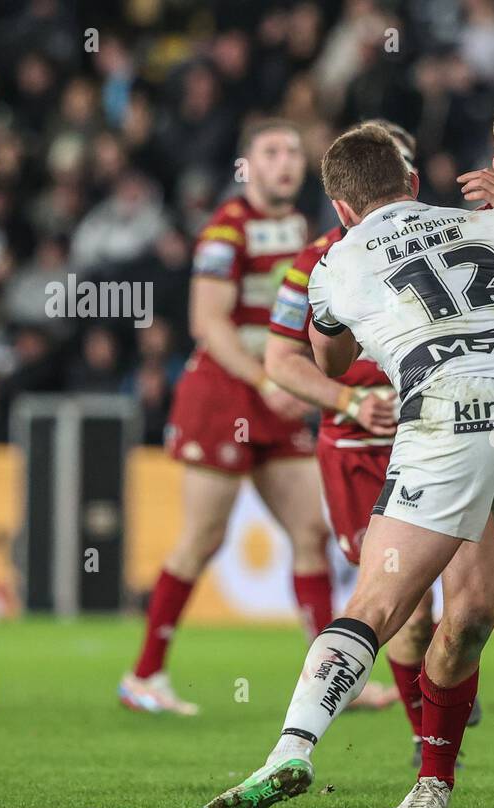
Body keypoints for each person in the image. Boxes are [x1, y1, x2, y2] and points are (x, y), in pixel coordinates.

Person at [191, 124, 494, 808]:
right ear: (412, 183)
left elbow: (327, 355)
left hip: (444, 404)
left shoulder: (333, 260)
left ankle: (290, 749)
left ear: (342, 208)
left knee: (376, 604)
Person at [264, 120, 494, 764]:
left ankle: (440, 689)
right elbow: (281, 361)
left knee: (468, 606)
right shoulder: (314, 263)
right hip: (357, 450)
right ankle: (429, 745)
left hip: (448, 432)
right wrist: (349, 401)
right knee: (408, 607)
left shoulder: (443, 239)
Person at [118, 119, 336, 715]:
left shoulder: (297, 227)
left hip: (273, 395)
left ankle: (329, 680)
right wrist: (266, 378)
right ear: (248, 166)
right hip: (223, 395)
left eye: (294, 149)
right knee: (203, 538)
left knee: (311, 534)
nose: (287, 161)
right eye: (272, 151)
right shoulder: (224, 231)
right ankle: (144, 676)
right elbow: (207, 325)